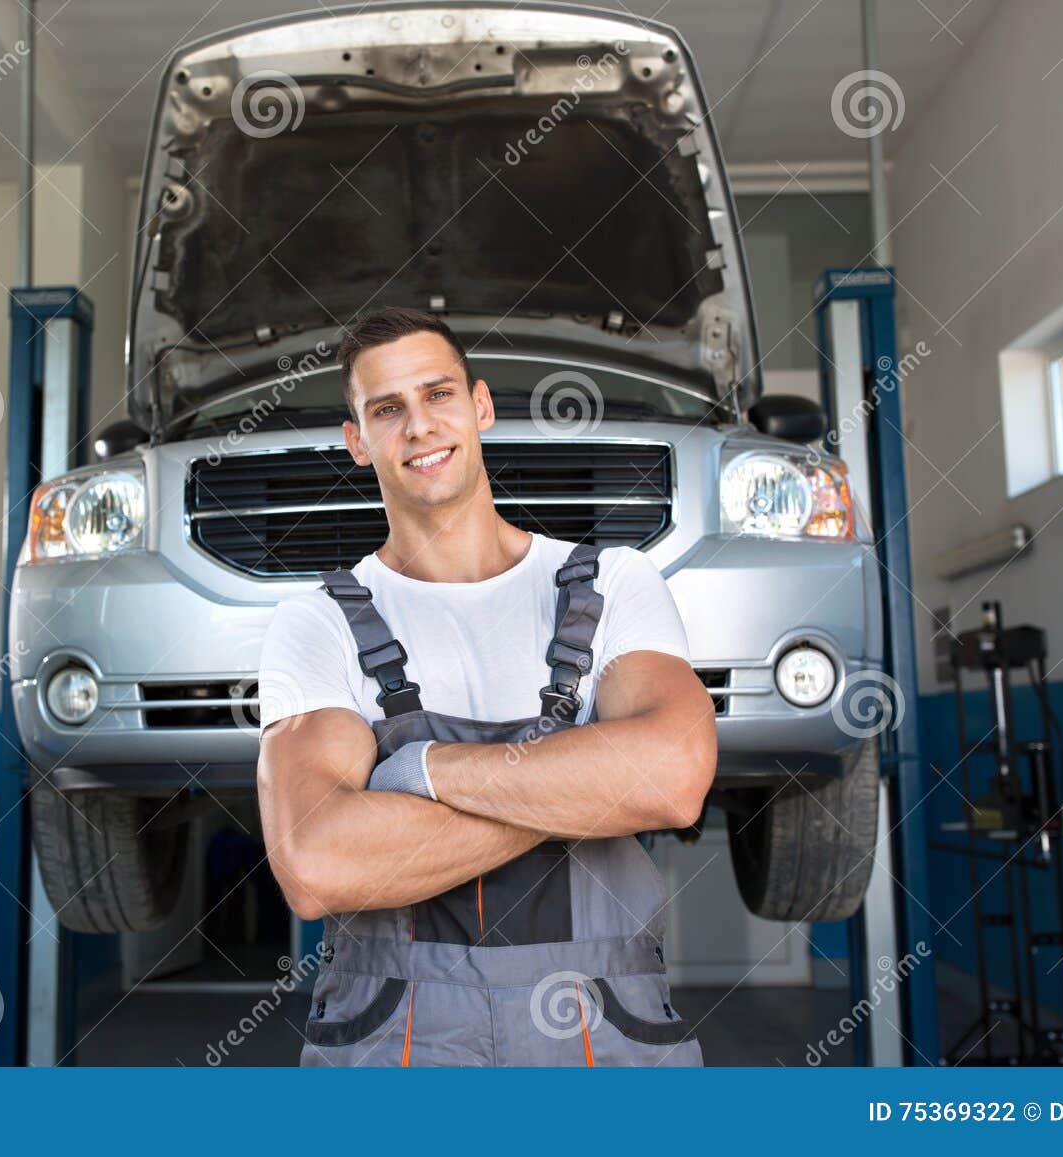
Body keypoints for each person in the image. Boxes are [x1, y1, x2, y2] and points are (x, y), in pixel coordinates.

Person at [257, 305, 718, 1066]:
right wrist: (586, 787)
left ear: (480, 406)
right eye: (386, 408)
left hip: (605, 1041)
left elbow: (671, 779)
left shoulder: (615, 581)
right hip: (398, 1047)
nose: (418, 426)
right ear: (356, 441)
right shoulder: (317, 625)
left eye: (438, 394)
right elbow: (316, 866)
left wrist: (421, 773)